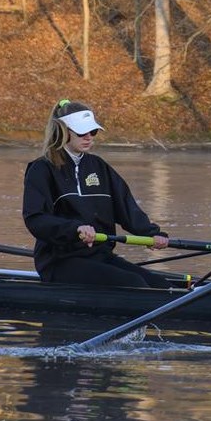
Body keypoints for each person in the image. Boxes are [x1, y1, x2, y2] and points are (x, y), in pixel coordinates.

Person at [23, 99, 180, 288]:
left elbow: (126, 207)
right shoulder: (42, 169)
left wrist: (153, 234)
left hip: (100, 255)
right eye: (82, 132)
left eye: (93, 131)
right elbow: (36, 219)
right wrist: (75, 229)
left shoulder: (98, 167)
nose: (89, 137)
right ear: (63, 131)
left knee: (160, 284)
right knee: (133, 283)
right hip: (60, 261)